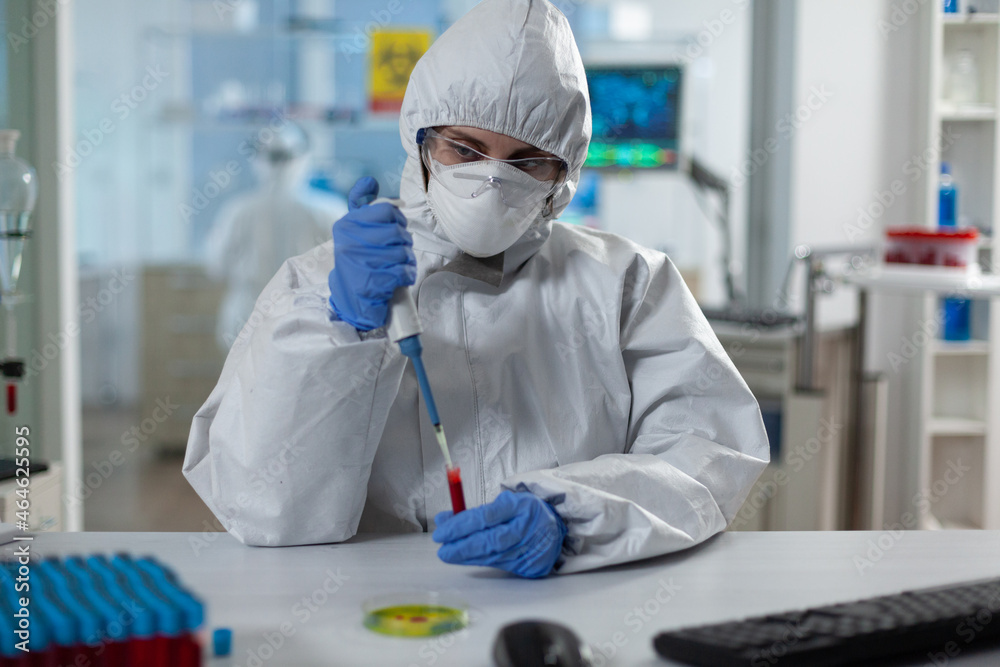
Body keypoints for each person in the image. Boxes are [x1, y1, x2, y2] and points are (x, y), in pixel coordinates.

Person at [183, 0, 769, 578]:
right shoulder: (319, 284)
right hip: (368, 606)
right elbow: (263, 508)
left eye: (527, 162)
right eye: (465, 149)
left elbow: (707, 452)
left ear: (564, 174)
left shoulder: (628, 283)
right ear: (421, 139)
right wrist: (339, 331)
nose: (491, 182)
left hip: (569, 600)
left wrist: (576, 519)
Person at [204, 122, 347, 350]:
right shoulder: (330, 211)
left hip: (249, 319)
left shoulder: (238, 211)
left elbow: (216, 268)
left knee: (249, 373)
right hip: (309, 321)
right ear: (305, 157)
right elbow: (348, 272)